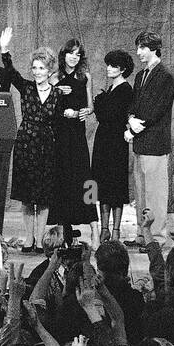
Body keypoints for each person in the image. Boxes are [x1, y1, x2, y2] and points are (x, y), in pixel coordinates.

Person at [1, 34, 60, 254]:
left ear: (50, 70)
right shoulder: (25, 88)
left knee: (43, 198)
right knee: (27, 198)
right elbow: (11, 72)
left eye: (41, 68)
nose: (37, 72)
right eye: (34, 68)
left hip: (46, 146)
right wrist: (4, 49)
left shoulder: (57, 94)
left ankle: (40, 240)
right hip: (26, 144)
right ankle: (29, 238)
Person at [127, 31, 174, 248]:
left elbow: (158, 109)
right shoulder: (140, 76)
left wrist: (137, 127)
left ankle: (156, 237)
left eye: (142, 48)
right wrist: (130, 120)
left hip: (155, 144)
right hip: (140, 144)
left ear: (154, 48)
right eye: (138, 48)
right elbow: (134, 104)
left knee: (155, 194)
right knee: (141, 193)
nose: (138, 53)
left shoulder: (165, 76)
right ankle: (141, 233)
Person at [48, 39, 96, 242]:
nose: (74, 57)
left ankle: (95, 231)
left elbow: (91, 105)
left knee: (87, 181)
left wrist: (87, 111)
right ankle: (64, 230)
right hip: (59, 137)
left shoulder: (85, 77)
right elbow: (48, 107)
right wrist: (58, 94)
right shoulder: (54, 77)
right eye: (70, 53)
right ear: (64, 55)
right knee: (62, 181)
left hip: (78, 136)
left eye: (77, 54)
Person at [91, 50, 134, 241]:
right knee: (102, 185)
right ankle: (104, 228)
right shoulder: (110, 89)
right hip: (103, 140)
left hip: (117, 141)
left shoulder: (126, 90)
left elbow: (110, 115)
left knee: (116, 185)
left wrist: (100, 105)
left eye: (113, 65)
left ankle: (115, 230)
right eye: (108, 65)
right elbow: (102, 114)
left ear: (123, 69)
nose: (108, 68)